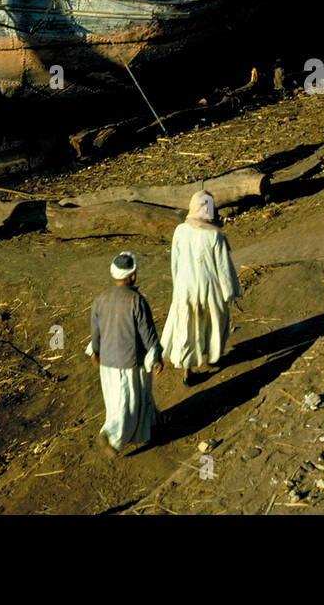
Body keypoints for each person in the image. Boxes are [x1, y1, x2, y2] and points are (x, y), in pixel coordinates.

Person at [163, 191, 243, 387]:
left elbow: (175, 261)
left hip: (185, 287)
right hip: (210, 287)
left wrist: (178, 285)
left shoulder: (180, 231)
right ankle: (212, 357)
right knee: (214, 322)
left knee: (187, 327)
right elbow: (223, 267)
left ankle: (187, 371)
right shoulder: (215, 235)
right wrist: (229, 292)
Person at [89, 251, 163, 457]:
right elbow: (147, 332)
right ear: (132, 276)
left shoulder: (100, 299)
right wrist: (156, 355)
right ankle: (112, 438)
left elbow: (95, 331)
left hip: (107, 361)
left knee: (114, 401)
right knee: (128, 405)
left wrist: (95, 351)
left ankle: (151, 424)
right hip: (129, 362)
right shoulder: (136, 300)